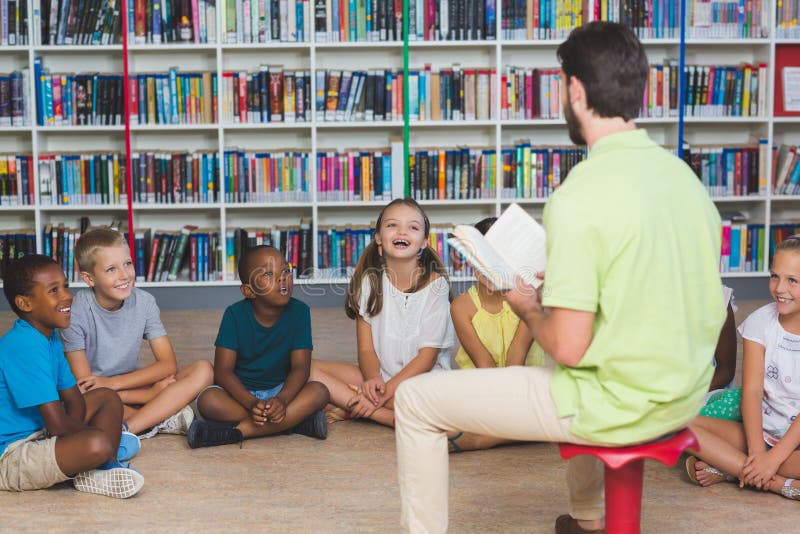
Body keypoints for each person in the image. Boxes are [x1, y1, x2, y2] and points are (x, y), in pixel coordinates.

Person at [393, 21, 726, 534]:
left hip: (618, 403)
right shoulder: (684, 179)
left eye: (558, 85)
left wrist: (527, 305)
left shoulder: (580, 193)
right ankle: (589, 519)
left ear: (575, 89)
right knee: (566, 342)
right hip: (682, 392)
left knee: (415, 402)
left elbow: (570, 348)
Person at [0, 254, 144, 498]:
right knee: (98, 443)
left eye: (65, 286)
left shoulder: (49, 336)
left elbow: (74, 399)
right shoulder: (24, 344)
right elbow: (57, 425)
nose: (67, 295)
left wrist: (85, 432)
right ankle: (99, 459)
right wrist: (95, 435)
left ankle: (104, 467)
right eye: (53, 290)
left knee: (107, 397)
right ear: (25, 304)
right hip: (12, 454)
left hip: (41, 431)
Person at [309, 198, 455, 428]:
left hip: (422, 383)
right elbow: (366, 349)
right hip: (379, 379)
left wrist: (383, 394)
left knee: (433, 409)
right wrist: (372, 380)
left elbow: (426, 358)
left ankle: (357, 406)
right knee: (306, 369)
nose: (402, 231)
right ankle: (380, 412)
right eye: (392, 225)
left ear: (425, 242)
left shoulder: (436, 286)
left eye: (413, 227)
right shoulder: (369, 282)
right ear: (378, 237)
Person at [60, 227, 213, 439]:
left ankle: (130, 427)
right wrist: (149, 395)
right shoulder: (75, 312)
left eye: (127, 263)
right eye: (111, 269)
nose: (125, 275)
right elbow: (86, 384)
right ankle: (157, 416)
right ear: (89, 278)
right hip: (98, 395)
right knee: (79, 403)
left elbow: (168, 364)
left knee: (204, 370)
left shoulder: (145, 302)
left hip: (130, 385)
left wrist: (123, 387)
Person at [686, 237, 800, 500]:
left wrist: (773, 459)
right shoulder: (760, 322)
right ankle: (777, 484)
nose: (780, 288)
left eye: (792, 280)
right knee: (678, 425)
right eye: (775, 276)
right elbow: (751, 391)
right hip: (763, 429)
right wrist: (759, 454)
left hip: (794, 440)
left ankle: (729, 468)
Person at [187, 245, 330, 448]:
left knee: (320, 392)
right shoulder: (234, 315)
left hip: (281, 391)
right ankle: (294, 424)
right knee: (208, 401)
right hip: (242, 395)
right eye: (269, 274)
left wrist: (282, 400)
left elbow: (300, 368)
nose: (282, 278)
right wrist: (251, 403)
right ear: (249, 291)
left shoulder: (300, 311)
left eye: (286, 270)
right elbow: (223, 372)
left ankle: (233, 433)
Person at [448, 217, 551, 453]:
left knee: (553, 404)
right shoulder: (461, 307)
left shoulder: (527, 300)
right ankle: (514, 431)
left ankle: (481, 438)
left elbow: (517, 359)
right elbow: (483, 364)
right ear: (472, 261)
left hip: (521, 386)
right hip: (482, 389)